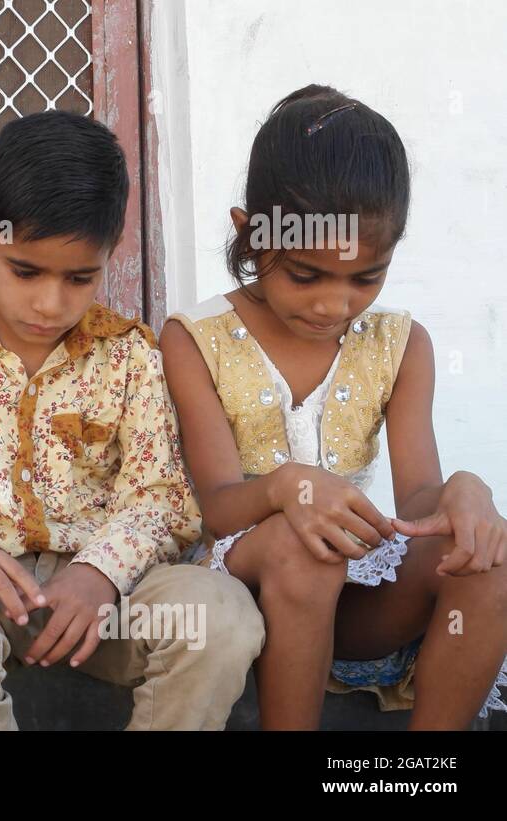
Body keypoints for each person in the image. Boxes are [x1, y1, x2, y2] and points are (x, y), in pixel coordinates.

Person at [0, 111, 265, 730]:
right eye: (25, 271)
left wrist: (100, 571)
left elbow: (164, 500)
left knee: (221, 618)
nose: (51, 303)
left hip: (110, 602)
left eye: (80, 277)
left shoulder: (131, 355)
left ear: (110, 256)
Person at [160, 84, 507, 729]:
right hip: (242, 588)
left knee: (491, 556)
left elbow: (420, 500)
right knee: (303, 546)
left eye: (365, 278)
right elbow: (216, 504)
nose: (334, 306)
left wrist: (466, 491)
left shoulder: (401, 345)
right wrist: (290, 487)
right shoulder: (193, 338)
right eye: (306, 275)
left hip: (359, 601)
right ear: (250, 234)